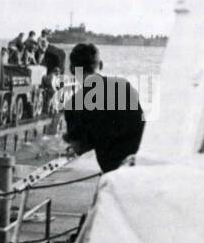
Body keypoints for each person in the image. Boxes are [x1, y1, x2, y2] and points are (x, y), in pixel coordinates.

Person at [61, 43, 145, 172]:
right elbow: (140, 126)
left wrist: (69, 136)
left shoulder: (73, 105)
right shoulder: (123, 86)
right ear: (100, 65)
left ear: (72, 69)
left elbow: (79, 149)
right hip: (139, 167)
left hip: (112, 174)